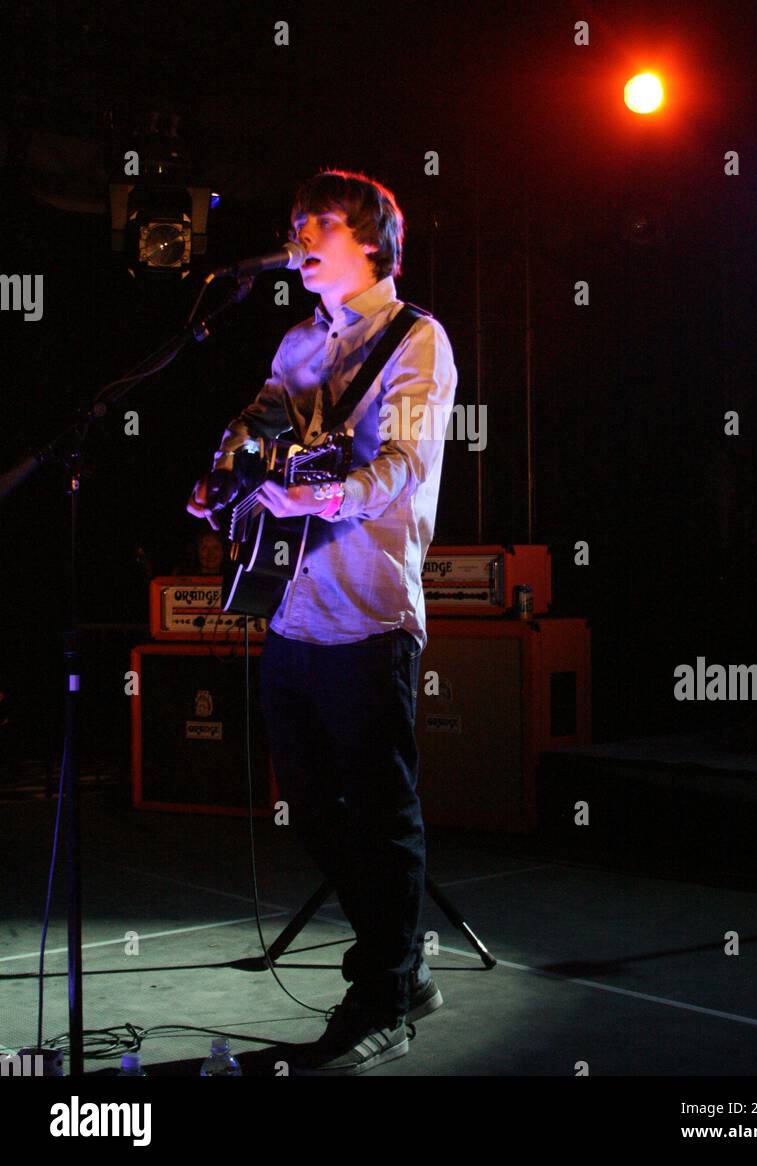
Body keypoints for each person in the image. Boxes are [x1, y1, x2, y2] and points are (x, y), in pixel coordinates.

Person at [186, 170, 457, 1073]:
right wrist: (225, 472)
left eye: (320, 223)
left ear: (372, 241)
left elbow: (406, 466)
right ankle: (400, 956)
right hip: (291, 610)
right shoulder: (300, 343)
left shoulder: (418, 341)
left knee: (382, 813)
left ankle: (383, 993)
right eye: (293, 221)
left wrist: (318, 496)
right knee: (310, 804)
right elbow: (259, 416)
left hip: (369, 612)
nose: (298, 233)